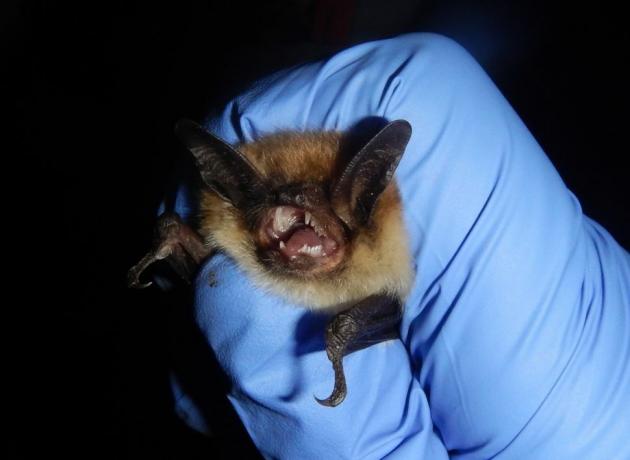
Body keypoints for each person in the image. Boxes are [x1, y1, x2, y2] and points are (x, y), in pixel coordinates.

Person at [165, 33, 630, 458]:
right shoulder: (230, 231)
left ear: (360, 200)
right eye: (277, 204)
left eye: (316, 201)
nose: (295, 207)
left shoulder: (385, 256)